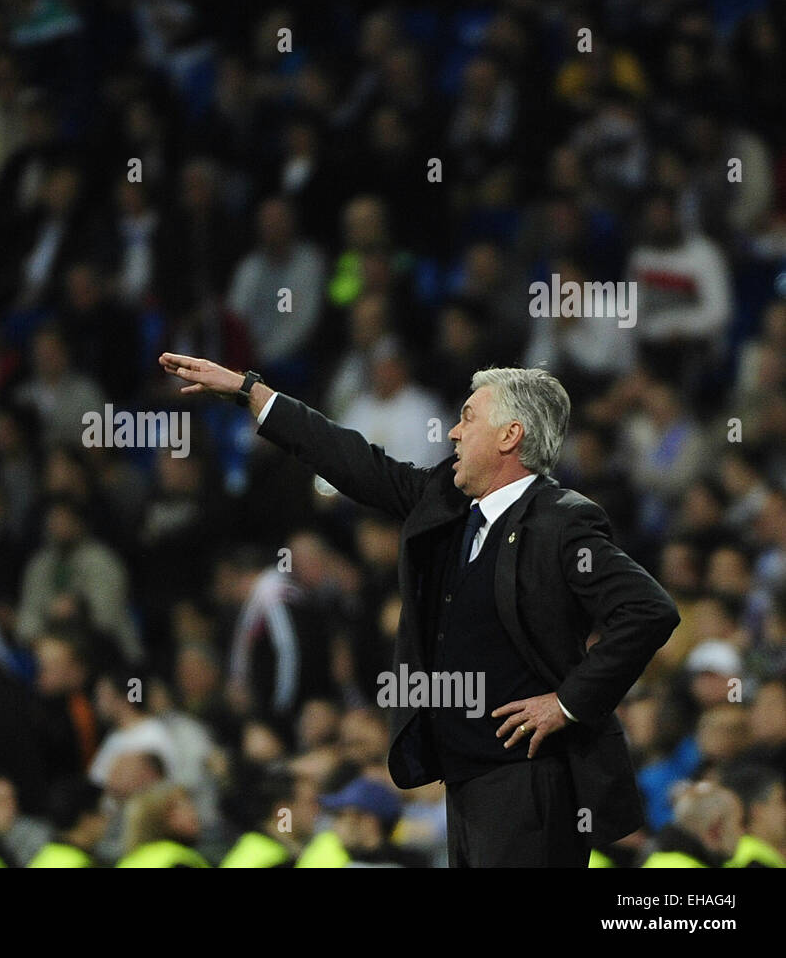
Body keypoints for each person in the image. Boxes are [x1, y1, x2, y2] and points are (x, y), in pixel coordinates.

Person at [160, 354, 679, 867]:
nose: (453, 433)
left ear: (509, 436)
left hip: (532, 783)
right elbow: (355, 461)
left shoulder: (562, 522)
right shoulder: (447, 503)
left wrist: (566, 703)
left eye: (467, 418)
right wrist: (253, 393)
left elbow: (648, 610)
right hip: (464, 780)